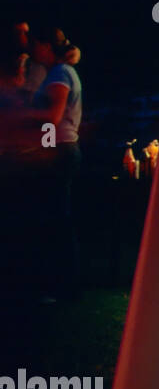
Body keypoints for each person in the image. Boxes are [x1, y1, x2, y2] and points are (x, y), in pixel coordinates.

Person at [28, 29, 83, 299]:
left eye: (36, 44)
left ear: (47, 46)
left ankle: (63, 284)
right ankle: (63, 283)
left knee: (57, 217)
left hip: (60, 149)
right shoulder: (59, 73)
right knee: (57, 215)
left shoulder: (60, 75)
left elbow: (53, 116)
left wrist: (45, 148)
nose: (33, 50)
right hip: (63, 148)